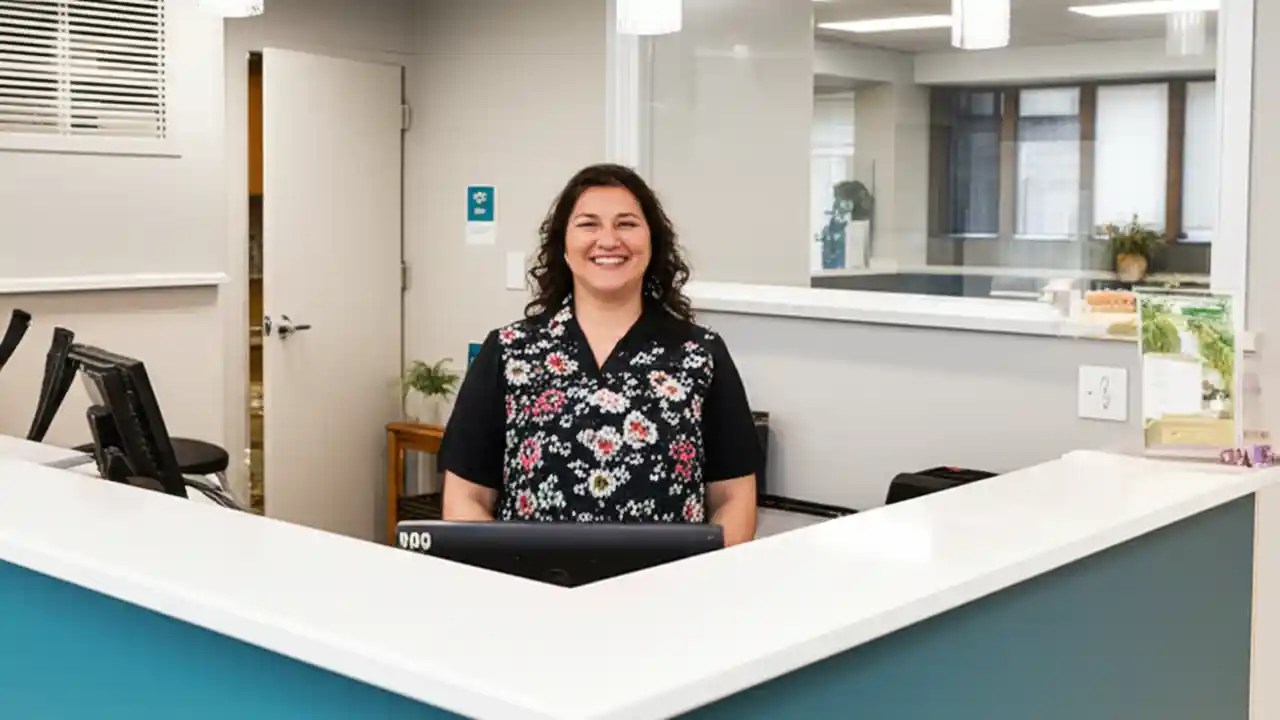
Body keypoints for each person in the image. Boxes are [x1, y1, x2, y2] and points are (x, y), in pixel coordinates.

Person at [439, 164, 760, 546]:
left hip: (669, 594)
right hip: (535, 593)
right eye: (588, 224)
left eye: (626, 224)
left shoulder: (700, 355)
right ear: (563, 244)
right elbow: (465, 498)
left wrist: (701, 580)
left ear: (653, 241)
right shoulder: (510, 353)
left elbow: (735, 498)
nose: (608, 240)